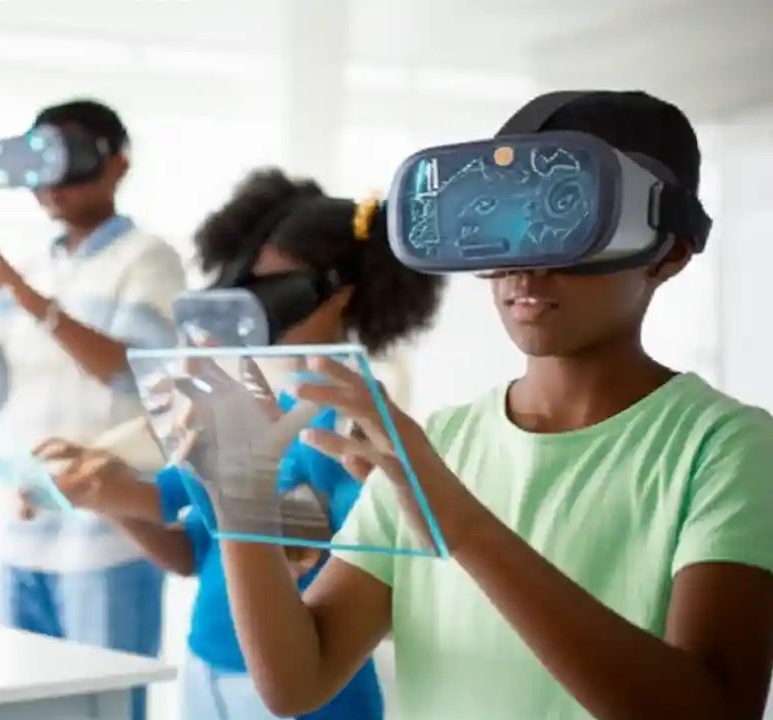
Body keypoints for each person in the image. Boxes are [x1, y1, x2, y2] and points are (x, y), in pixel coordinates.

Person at [218, 91, 773, 720]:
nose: (525, 266)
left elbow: (715, 709)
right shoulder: (436, 444)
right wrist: (237, 493)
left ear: (668, 252)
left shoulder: (726, 447)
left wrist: (461, 523)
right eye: (503, 223)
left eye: (569, 223)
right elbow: (297, 680)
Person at [33, 168, 444, 719]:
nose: (257, 306)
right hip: (207, 668)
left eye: (277, 286)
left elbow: (349, 546)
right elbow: (189, 549)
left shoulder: (352, 422)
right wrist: (94, 492)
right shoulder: (256, 405)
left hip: (305, 685)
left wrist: (268, 513)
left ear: (339, 293)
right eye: (250, 283)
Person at [0, 98, 185, 720]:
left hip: (113, 535)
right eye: (43, 163)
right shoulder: (30, 269)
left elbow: (132, 372)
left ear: (116, 165)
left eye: (71, 160)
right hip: (27, 533)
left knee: (103, 707)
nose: (54, 182)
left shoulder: (147, 259)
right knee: (28, 707)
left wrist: (28, 297)